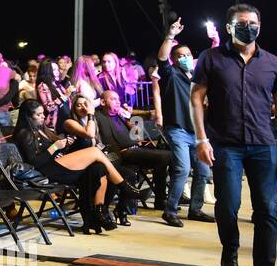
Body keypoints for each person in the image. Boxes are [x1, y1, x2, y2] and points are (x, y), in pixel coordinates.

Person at [192, 4, 277, 266]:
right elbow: (197, 99)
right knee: (228, 205)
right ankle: (231, 247)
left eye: (253, 23)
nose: (248, 27)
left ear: (260, 27)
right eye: (242, 22)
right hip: (225, 145)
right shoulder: (211, 58)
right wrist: (202, 140)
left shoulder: (272, 63)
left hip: (263, 145)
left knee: (266, 209)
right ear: (229, 27)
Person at [11, 100, 134, 233]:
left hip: (57, 164)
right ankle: (124, 187)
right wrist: (54, 147)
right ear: (28, 116)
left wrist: (63, 146)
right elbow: (35, 163)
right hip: (45, 171)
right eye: (39, 114)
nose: (43, 116)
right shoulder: (24, 133)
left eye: (43, 113)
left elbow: (52, 150)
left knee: (98, 168)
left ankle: (98, 214)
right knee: (95, 152)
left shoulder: (41, 129)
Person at [155, 18, 213, 224]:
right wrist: (170, 36)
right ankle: (170, 211)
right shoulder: (171, 74)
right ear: (174, 59)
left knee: (204, 171)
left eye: (188, 55)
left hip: (196, 133)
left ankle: (195, 209)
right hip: (178, 129)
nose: (185, 58)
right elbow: (162, 58)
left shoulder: (198, 78)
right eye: (180, 56)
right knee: (181, 169)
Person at [94, 90, 174, 226]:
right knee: (168, 156)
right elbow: (108, 141)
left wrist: (130, 120)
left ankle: (124, 208)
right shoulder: (98, 116)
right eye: (113, 99)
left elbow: (137, 138)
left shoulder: (120, 117)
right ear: (102, 102)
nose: (118, 101)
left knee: (135, 171)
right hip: (117, 155)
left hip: (132, 153)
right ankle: (159, 199)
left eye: (118, 98)